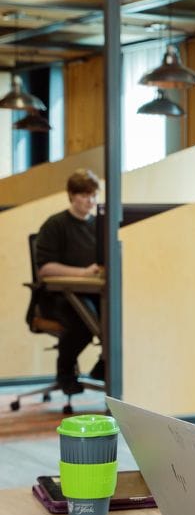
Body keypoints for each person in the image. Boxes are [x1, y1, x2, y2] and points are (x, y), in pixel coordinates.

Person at [34, 168, 104, 395]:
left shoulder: (98, 226)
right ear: (72, 195)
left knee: (117, 318)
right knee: (84, 322)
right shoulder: (55, 225)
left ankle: (103, 365)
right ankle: (64, 372)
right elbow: (45, 268)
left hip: (95, 293)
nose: (90, 201)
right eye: (85, 195)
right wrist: (83, 272)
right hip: (58, 297)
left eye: (93, 195)